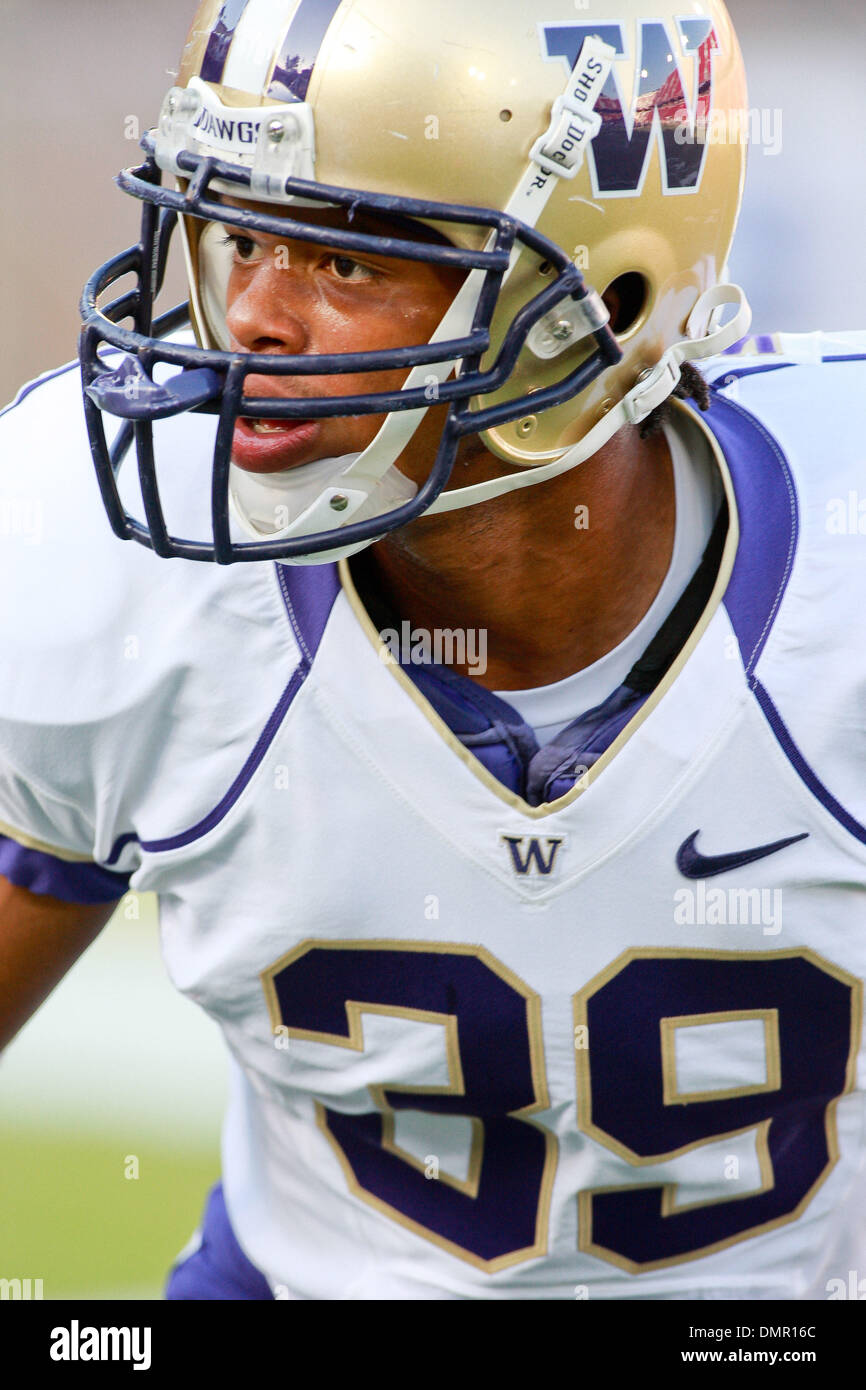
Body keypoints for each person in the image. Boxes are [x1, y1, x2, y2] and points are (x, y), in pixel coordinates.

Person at [2, 0, 865, 1300]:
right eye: (239, 231)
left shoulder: (838, 586)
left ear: (601, 292)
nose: (252, 317)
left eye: (345, 262)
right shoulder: (98, 555)